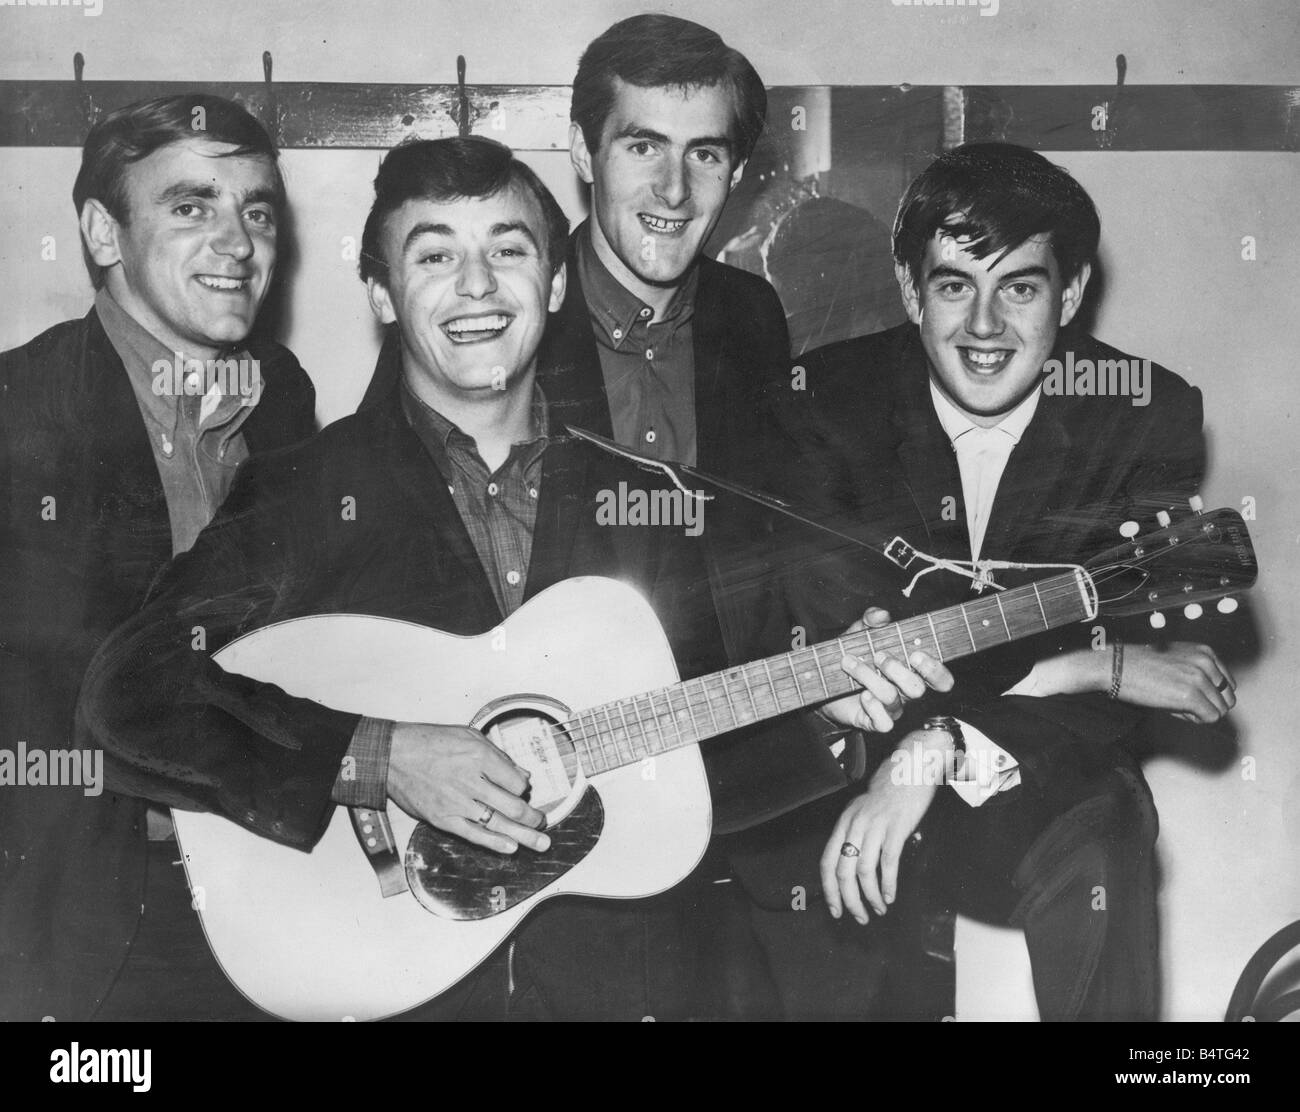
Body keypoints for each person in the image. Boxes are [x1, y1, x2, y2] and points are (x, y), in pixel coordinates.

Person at [77, 135, 763, 1020]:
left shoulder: (642, 499)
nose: (477, 287)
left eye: (508, 251)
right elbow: (131, 688)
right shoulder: (308, 489)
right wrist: (377, 753)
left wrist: (837, 710)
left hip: (612, 985)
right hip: (404, 983)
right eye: (435, 255)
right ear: (382, 295)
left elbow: (695, 750)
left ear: (552, 286)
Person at [751, 142, 1237, 1020]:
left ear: (1073, 294)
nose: (984, 327)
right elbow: (855, 648)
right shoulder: (821, 401)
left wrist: (939, 744)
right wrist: (1098, 660)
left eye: (1019, 286)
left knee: (1109, 823)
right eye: (952, 286)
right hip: (846, 761)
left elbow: (952, 643)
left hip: (1030, 765)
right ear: (909, 292)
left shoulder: (1142, 413)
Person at [0, 93, 316, 1021]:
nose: (238, 243)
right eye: (192, 206)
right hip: (85, 915)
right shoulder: (19, 412)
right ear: (103, 233)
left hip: (279, 890)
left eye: (256, 210)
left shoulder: (284, 393)